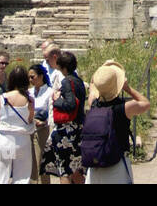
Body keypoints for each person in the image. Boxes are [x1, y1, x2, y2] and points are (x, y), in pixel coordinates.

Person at [83, 61, 150, 184]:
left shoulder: (93, 104)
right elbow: (146, 103)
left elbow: (93, 84)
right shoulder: (125, 108)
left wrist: (102, 69)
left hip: (94, 170)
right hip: (116, 166)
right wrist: (127, 88)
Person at [46, 51, 86, 184]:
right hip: (79, 128)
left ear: (63, 67)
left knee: (64, 170)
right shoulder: (78, 81)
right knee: (77, 169)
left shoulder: (67, 81)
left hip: (67, 131)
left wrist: (56, 100)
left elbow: (70, 104)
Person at [0, 66, 35, 184]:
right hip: (22, 140)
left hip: (6, 139)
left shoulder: (2, 98)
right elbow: (30, 119)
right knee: (22, 176)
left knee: (1, 174)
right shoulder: (29, 99)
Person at [28, 64, 54, 184]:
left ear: (41, 76)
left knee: (42, 163)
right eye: (29, 77)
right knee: (31, 163)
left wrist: (44, 122)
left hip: (44, 130)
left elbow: (52, 112)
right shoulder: (29, 92)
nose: (30, 80)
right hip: (30, 129)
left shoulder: (50, 92)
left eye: (33, 77)